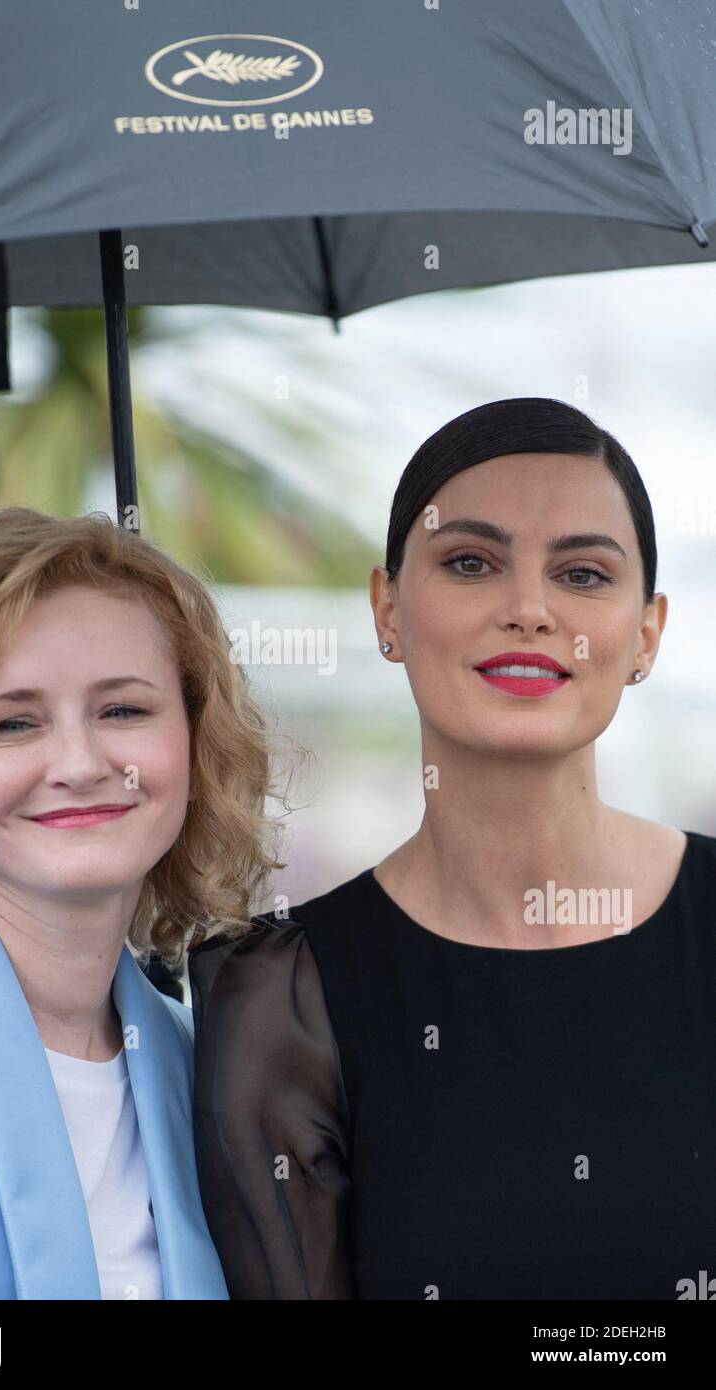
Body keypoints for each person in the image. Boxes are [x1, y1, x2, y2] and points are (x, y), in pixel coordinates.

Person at [188, 396, 716, 1300]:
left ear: (648, 632)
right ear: (386, 608)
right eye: (471, 562)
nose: (528, 609)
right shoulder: (283, 997)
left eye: (583, 574)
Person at [0, 506, 288, 1299]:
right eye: (13, 723)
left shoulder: (204, 1063)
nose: (81, 764)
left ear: (195, 743)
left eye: (123, 710)